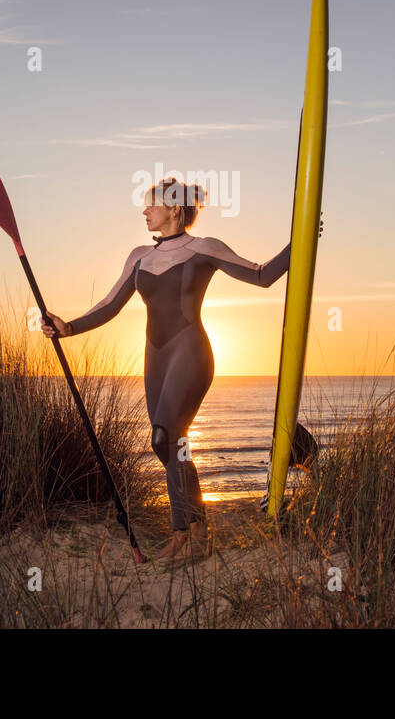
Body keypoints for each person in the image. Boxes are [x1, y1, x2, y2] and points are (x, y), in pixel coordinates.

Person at [42, 177, 290, 562]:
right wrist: (69, 327)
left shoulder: (205, 248)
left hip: (190, 352)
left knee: (171, 433)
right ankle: (194, 531)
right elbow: (110, 304)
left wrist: (301, 242)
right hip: (155, 355)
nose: (145, 210)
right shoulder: (139, 256)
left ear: (175, 208)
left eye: (151, 203)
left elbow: (261, 275)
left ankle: (184, 536)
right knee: (165, 443)